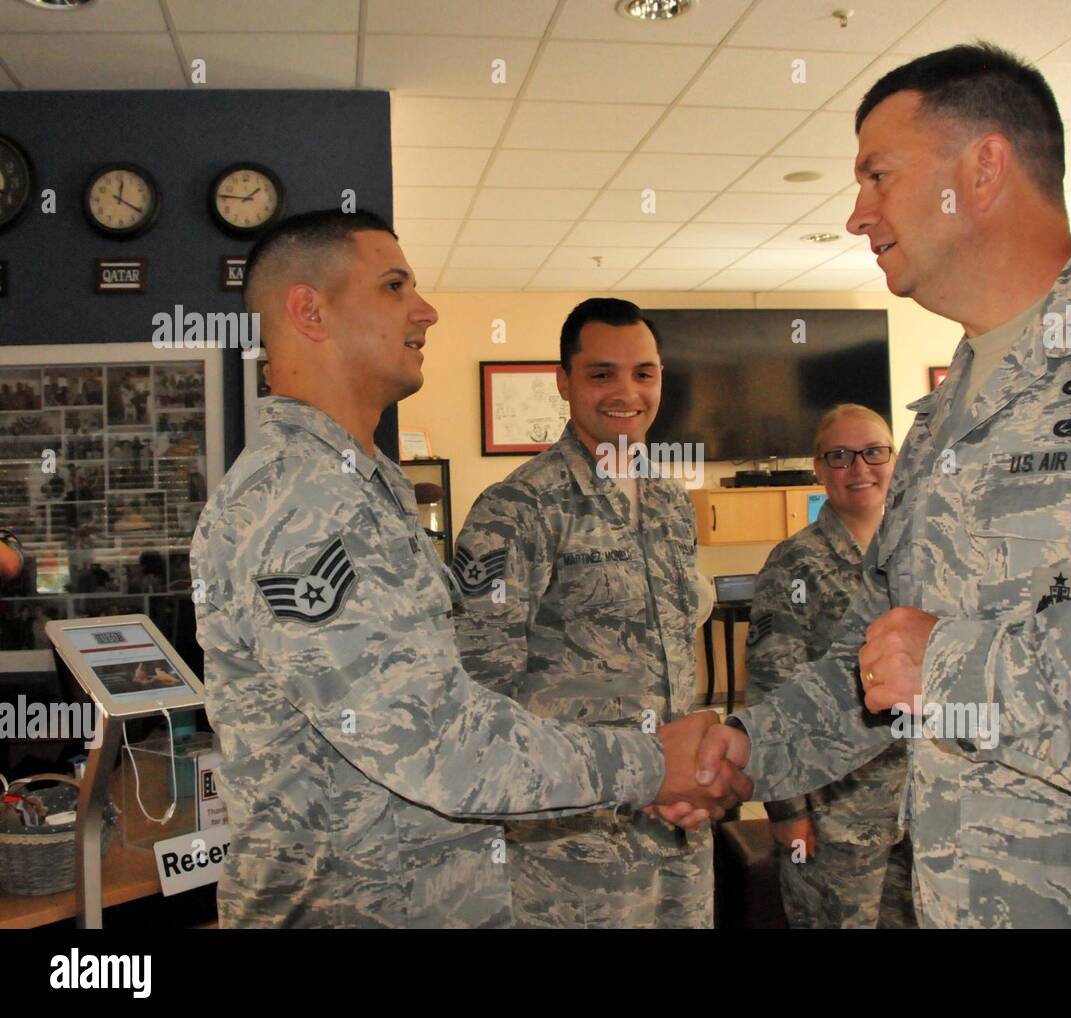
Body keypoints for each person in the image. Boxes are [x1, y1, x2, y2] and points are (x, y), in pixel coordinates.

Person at [678, 42, 1071, 928]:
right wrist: (745, 750)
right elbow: (874, 659)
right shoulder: (940, 421)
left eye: (878, 176)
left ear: (982, 168)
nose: (857, 215)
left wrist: (963, 665)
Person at [190, 211, 747, 929]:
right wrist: (649, 763)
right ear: (309, 311)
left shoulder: (363, 488)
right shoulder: (301, 503)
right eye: (395, 287)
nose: (427, 311)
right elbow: (437, 742)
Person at [452, 297, 713, 928]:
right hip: (572, 845)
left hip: (677, 825)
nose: (627, 392)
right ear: (564, 382)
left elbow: (678, 651)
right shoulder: (518, 507)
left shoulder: (672, 502)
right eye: (602, 374)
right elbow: (480, 688)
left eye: (643, 373)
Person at [745, 404, 914, 929]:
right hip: (835, 813)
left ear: (895, 459)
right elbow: (771, 691)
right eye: (839, 456)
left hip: (924, 806)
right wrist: (788, 811)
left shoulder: (921, 554)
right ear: (818, 468)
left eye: (874, 453)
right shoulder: (795, 564)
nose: (859, 469)